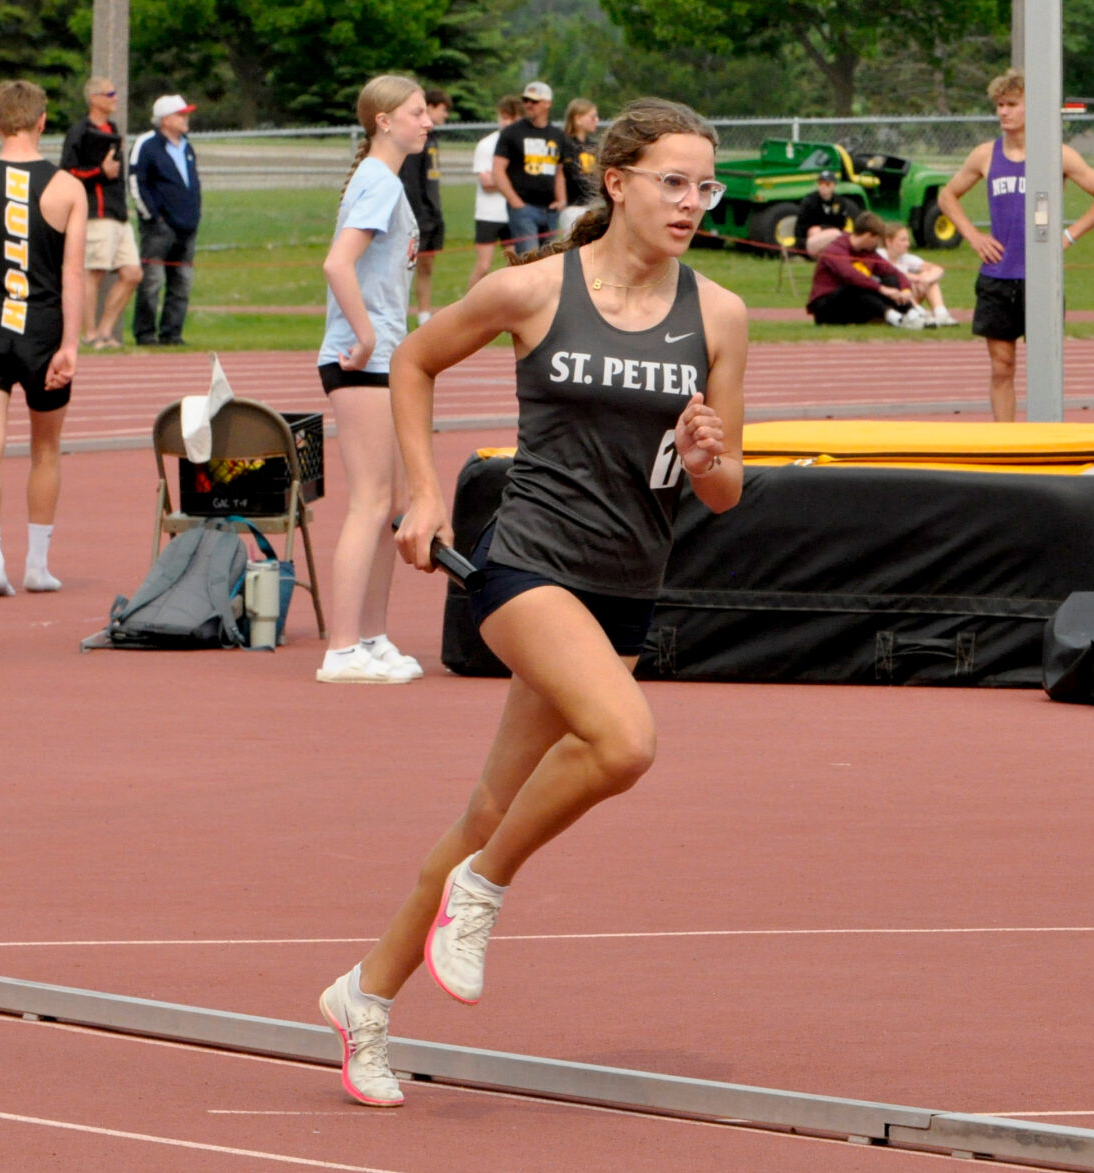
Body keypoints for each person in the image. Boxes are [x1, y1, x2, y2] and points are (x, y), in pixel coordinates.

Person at [316, 96, 747, 1108]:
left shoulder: (717, 314)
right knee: (626, 742)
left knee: (488, 809)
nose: (692, 202)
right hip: (527, 565)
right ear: (619, 183)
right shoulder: (534, 291)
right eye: (673, 182)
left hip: (627, 585)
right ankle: (484, 890)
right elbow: (413, 360)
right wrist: (425, 493)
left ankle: (364, 997)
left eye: (704, 184)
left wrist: (708, 460)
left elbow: (724, 493)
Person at [313, 76, 433, 684]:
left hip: (385, 358)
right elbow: (339, 262)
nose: (427, 121)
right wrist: (363, 336)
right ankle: (340, 649)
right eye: (416, 113)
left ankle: (373, 636)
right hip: (361, 360)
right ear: (384, 120)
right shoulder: (380, 182)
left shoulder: (386, 182)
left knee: (391, 504)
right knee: (369, 502)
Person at [0, 80, 87, 597]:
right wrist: (71, 344)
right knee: (45, 450)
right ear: (43, 121)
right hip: (44, 329)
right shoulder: (68, 189)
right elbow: (73, 276)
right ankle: (36, 564)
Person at [935, 68, 1094, 422]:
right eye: (999, 105)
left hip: (1040, 279)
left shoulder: (1057, 155)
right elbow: (947, 197)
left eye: (1012, 104)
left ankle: (1042, 441)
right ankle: (1007, 444)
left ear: (1031, 108)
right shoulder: (985, 155)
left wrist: (1067, 236)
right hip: (998, 276)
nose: (1004, 112)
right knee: (1001, 367)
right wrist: (974, 236)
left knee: (1043, 373)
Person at [60, 76, 140, 350]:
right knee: (93, 272)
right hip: (96, 211)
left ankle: (106, 331)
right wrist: (98, 173)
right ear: (94, 98)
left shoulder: (113, 128)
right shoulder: (80, 132)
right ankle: (90, 333)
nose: (115, 98)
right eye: (110, 93)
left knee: (132, 272)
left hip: (118, 211)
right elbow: (67, 171)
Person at [130, 94, 200, 345]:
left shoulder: (187, 146)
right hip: (159, 228)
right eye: (180, 115)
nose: (185, 119)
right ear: (165, 119)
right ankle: (145, 333)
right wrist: (154, 217)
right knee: (152, 281)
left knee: (182, 283)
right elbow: (137, 183)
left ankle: (172, 333)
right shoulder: (147, 144)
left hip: (187, 226)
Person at [807, 212, 924, 328]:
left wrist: (905, 289)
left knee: (890, 279)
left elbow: (893, 272)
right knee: (855, 286)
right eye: (876, 240)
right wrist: (881, 289)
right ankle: (893, 317)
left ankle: (912, 314)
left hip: (855, 303)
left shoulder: (868, 252)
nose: (877, 244)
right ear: (867, 236)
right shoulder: (836, 249)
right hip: (827, 307)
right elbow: (850, 275)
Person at [493, 81, 569, 256]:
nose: (528, 104)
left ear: (547, 103)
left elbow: (559, 172)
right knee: (529, 259)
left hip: (550, 210)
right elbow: (498, 170)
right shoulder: (512, 133)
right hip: (524, 209)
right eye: (526, 100)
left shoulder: (557, 135)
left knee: (549, 260)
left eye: (534, 101)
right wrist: (516, 203)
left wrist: (561, 200)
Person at [399, 87, 450, 327]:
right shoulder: (414, 140)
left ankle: (424, 315)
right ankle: (398, 313)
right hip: (418, 213)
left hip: (433, 211)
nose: (445, 115)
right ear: (429, 107)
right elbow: (411, 180)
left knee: (427, 266)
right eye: (443, 109)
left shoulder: (433, 138)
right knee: (406, 266)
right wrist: (417, 213)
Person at [468, 95, 520, 290]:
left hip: (512, 213)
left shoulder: (520, 144)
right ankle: (467, 310)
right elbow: (486, 182)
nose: (507, 122)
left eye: (512, 118)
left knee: (516, 265)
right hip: (488, 214)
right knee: (483, 266)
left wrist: (499, 178)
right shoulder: (487, 145)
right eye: (503, 117)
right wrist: (511, 180)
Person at [879, 222, 955, 326]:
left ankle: (941, 314)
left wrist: (925, 279)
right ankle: (918, 313)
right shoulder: (879, 255)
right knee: (904, 283)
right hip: (886, 299)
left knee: (929, 279)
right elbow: (894, 274)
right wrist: (918, 279)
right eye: (903, 240)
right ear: (888, 241)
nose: (908, 244)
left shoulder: (906, 257)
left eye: (908, 240)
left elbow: (938, 269)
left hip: (905, 299)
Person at [557, 97, 600, 238]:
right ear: (578, 118)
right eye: (592, 117)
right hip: (573, 205)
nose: (597, 121)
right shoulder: (564, 143)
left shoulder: (592, 145)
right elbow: (568, 173)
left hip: (592, 205)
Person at [793, 170, 856, 257]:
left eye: (827, 184)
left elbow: (841, 225)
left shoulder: (839, 202)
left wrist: (823, 228)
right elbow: (801, 227)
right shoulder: (809, 201)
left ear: (833, 186)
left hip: (832, 237)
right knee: (817, 231)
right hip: (808, 241)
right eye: (820, 183)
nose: (823, 186)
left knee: (837, 234)